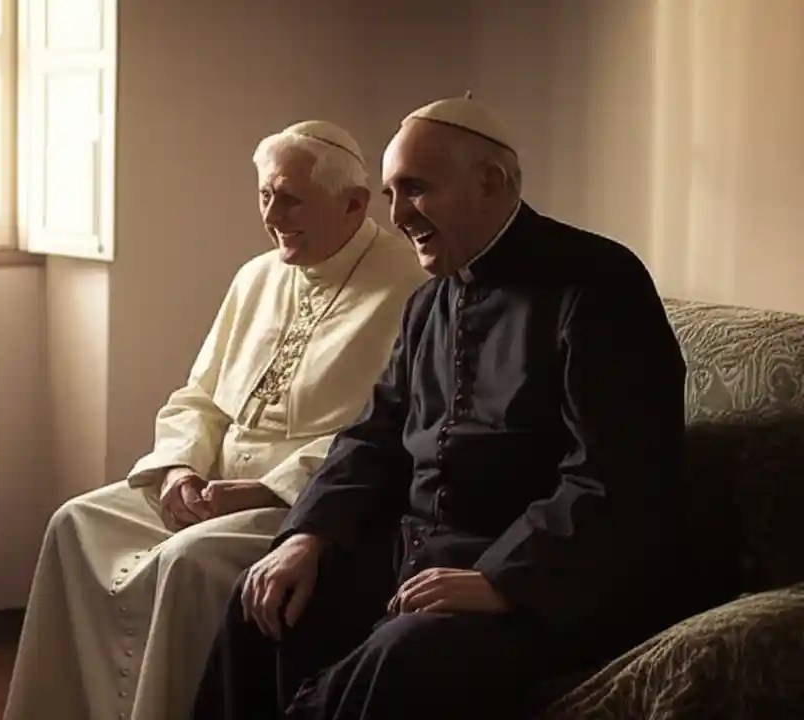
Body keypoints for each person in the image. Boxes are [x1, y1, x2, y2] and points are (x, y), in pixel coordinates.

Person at [189, 96, 692, 719]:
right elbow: (373, 437)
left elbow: (615, 472)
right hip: (422, 554)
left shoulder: (598, 282)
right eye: (391, 193)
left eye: (415, 190)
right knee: (263, 602)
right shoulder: (430, 303)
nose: (397, 215)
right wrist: (308, 536)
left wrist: (503, 580)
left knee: (401, 658)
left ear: (490, 182)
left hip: (551, 578)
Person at [2, 120, 428, 720]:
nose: (273, 214)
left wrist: (263, 487)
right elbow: (200, 397)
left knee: (187, 564)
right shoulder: (256, 276)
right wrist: (179, 469)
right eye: (265, 196)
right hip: (208, 484)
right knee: (75, 522)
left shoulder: (412, 286)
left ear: (355, 203)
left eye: (291, 198)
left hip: (301, 499)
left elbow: (383, 433)